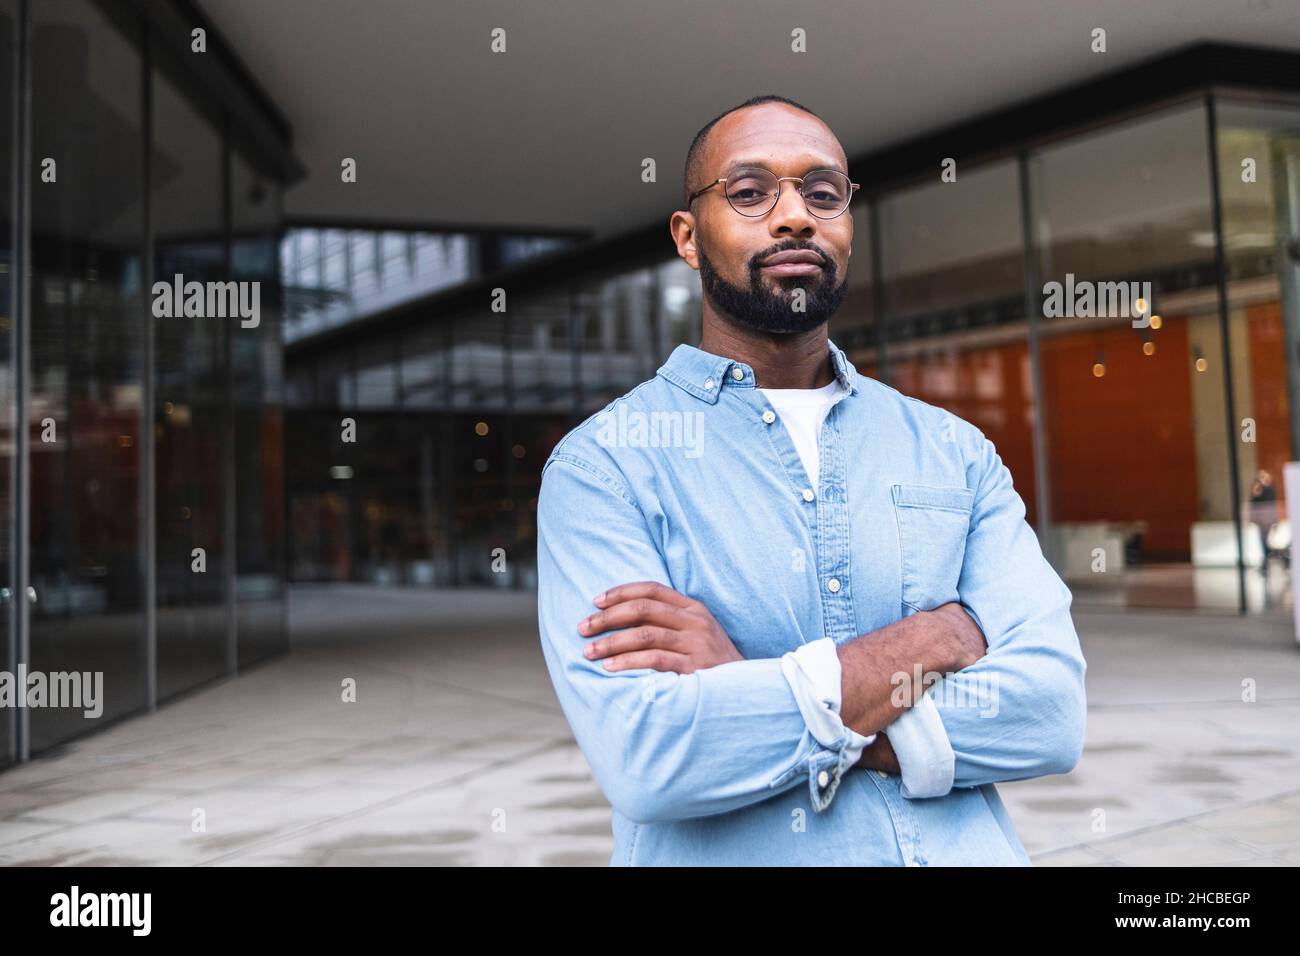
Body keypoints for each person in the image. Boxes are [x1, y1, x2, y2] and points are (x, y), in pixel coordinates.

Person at [535, 95, 1087, 866]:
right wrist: (933, 637)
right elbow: (651, 755)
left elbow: (1048, 713)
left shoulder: (952, 450)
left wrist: (756, 692)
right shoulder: (606, 466)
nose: (795, 216)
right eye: (751, 192)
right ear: (689, 238)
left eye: (823, 192)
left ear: (848, 225)